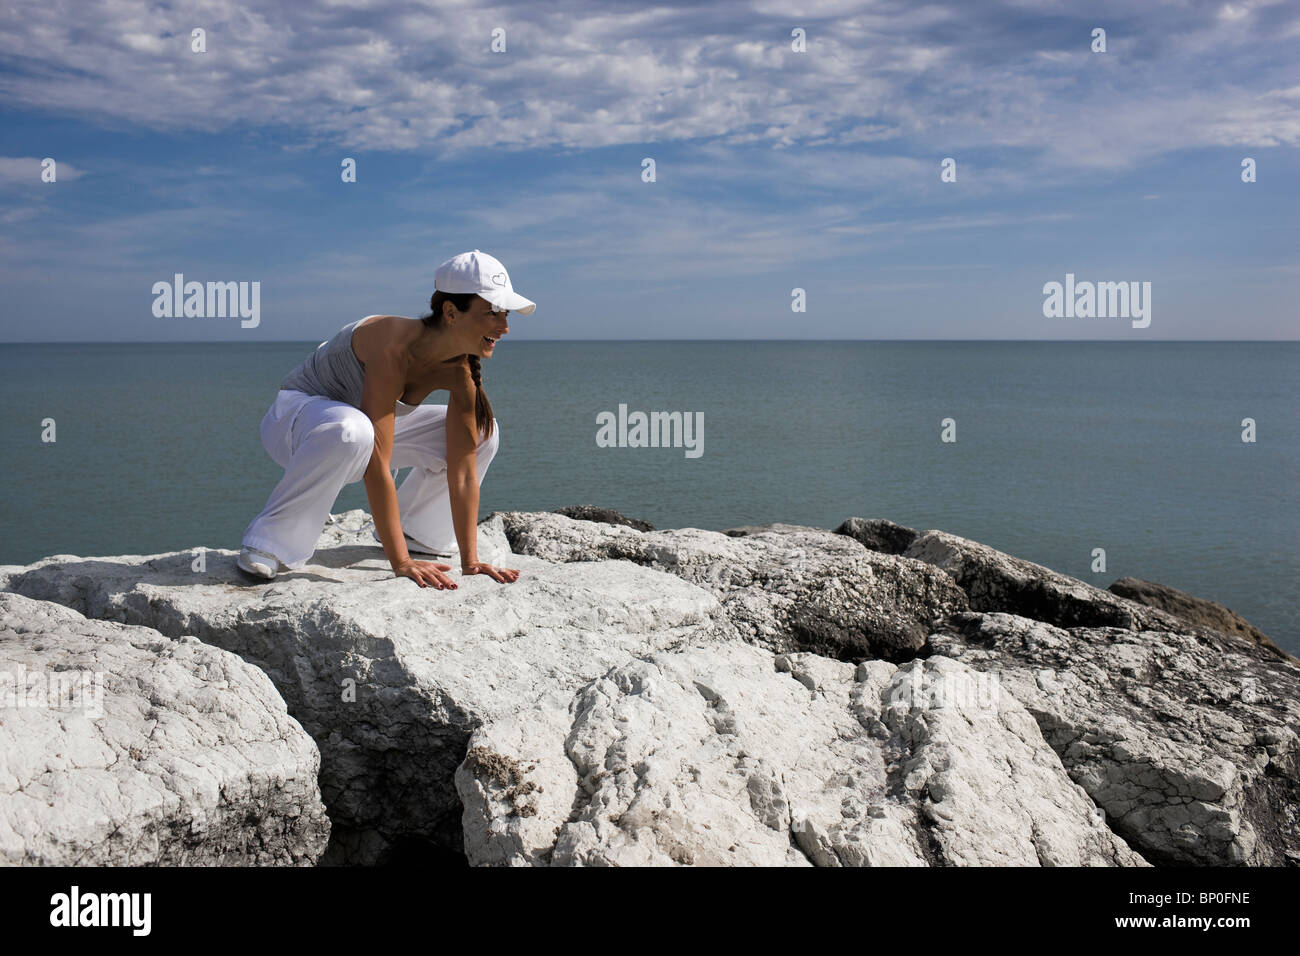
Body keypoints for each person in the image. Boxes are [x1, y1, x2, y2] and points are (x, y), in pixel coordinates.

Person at [237, 249, 527, 590]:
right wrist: (400, 562)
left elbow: (463, 473)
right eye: (492, 313)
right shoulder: (391, 345)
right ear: (451, 312)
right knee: (352, 431)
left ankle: (417, 530)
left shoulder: (461, 371)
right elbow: (377, 464)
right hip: (296, 426)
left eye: (506, 314)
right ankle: (268, 542)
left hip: (360, 434)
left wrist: (470, 562)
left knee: (482, 433)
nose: (504, 327)